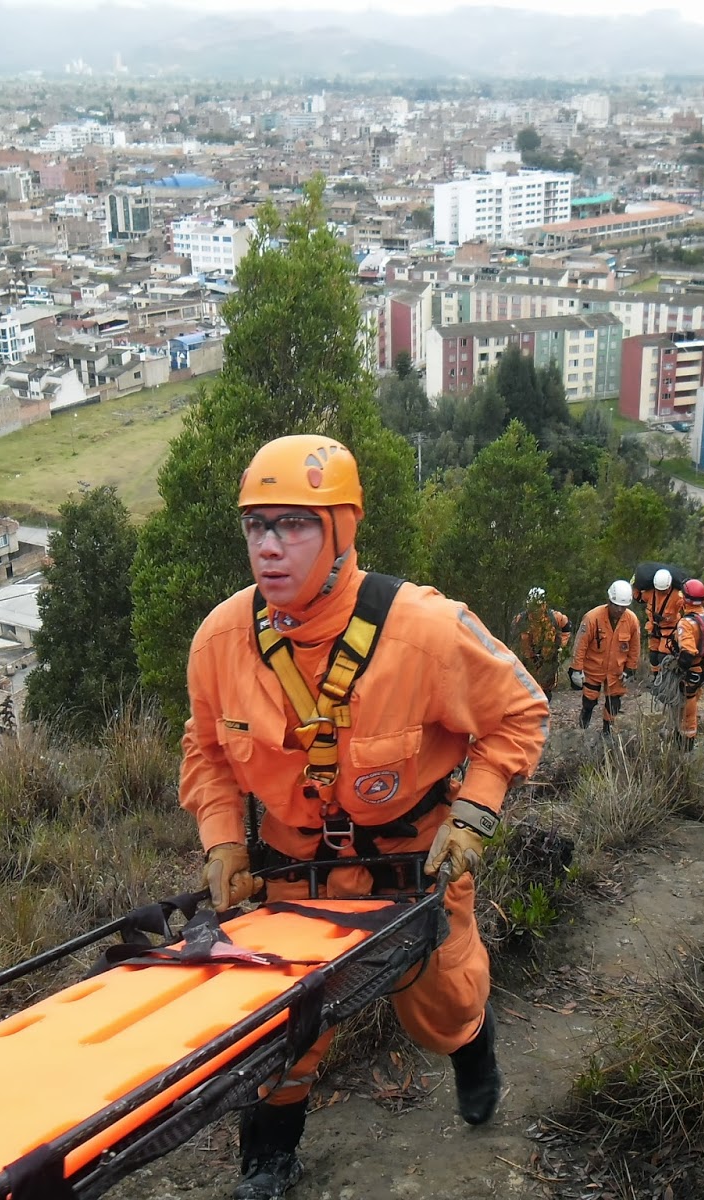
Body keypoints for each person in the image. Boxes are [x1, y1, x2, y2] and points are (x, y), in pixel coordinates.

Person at [180, 435, 549, 1200]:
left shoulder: (427, 631)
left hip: (412, 868)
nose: (270, 548)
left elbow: (519, 713)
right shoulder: (220, 643)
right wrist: (222, 842)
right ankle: (270, 1154)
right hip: (291, 874)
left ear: (343, 531)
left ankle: (473, 1046)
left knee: (442, 1007)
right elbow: (208, 753)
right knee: (281, 1023)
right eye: (257, 527)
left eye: (295, 525)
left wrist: (476, 813)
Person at [569, 580, 642, 738]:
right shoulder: (592, 617)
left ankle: (607, 732)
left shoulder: (632, 621)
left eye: (623, 606)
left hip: (617, 670)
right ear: (609, 601)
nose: (620, 610)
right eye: (616, 605)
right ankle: (583, 724)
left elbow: (635, 647)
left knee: (614, 702)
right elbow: (580, 644)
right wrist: (576, 669)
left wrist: (631, 669)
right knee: (589, 699)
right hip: (594, 668)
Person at [669, 577, 704, 751]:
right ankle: (684, 736)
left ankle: (686, 743)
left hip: (691, 672)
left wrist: (676, 668)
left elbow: (687, 653)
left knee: (687, 706)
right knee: (691, 701)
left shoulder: (686, 624)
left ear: (684, 599)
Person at [509, 586, 572, 692]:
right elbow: (513, 639)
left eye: (538, 606)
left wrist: (561, 644)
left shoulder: (555, 617)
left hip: (547, 660)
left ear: (544, 605)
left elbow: (567, 626)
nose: (535, 609)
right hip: (527, 660)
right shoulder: (520, 619)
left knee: (546, 689)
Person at [635, 567, 684, 680]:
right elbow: (637, 596)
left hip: (670, 630)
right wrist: (635, 583)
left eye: (664, 590)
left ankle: (666, 680)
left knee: (663, 656)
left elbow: (688, 608)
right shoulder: (650, 593)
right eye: (659, 590)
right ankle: (656, 678)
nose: (661, 592)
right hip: (654, 629)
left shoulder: (678, 596)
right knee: (653, 657)